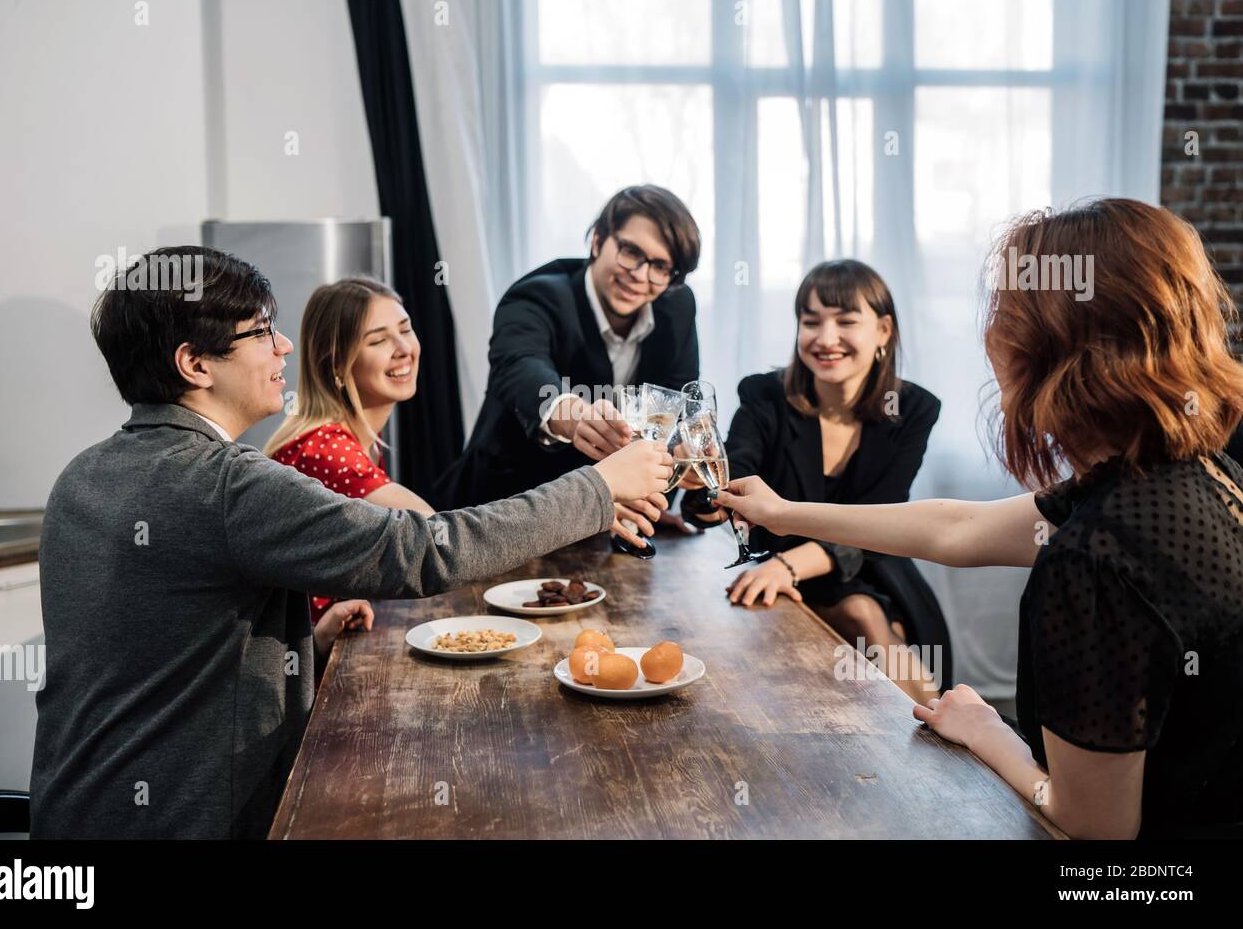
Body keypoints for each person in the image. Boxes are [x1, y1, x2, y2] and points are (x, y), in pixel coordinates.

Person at [31, 247, 670, 839]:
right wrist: (596, 488)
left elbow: (165, 649)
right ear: (195, 364)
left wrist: (305, 639)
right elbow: (426, 550)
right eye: (260, 332)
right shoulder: (226, 484)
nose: (283, 345)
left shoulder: (81, 476)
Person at [716, 199, 1243, 839]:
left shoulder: (1094, 561)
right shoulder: (1186, 471)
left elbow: (1094, 827)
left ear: (1050, 346)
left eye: (1005, 313)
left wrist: (987, 729)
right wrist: (780, 511)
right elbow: (955, 529)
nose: (991, 335)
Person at [718, 260, 949, 704]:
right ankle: (944, 736)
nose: (825, 339)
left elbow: (881, 520)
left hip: (867, 565)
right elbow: (733, 473)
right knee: (861, 621)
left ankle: (947, 741)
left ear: (883, 330)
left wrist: (788, 567)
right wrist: (709, 495)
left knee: (866, 613)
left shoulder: (913, 407)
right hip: (774, 567)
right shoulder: (765, 394)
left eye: (845, 321)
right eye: (810, 322)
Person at [433, 185, 703, 552]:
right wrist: (573, 415)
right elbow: (519, 366)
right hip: (494, 518)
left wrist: (653, 494)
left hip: (597, 528)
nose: (641, 275)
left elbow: (674, 405)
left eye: (660, 267)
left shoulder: (677, 306)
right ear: (598, 240)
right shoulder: (537, 295)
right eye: (630, 252)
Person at [265, 277, 431, 623]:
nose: (404, 348)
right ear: (338, 364)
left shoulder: (355, 438)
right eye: (379, 340)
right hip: (304, 662)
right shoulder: (325, 450)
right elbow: (437, 534)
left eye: (406, 329)